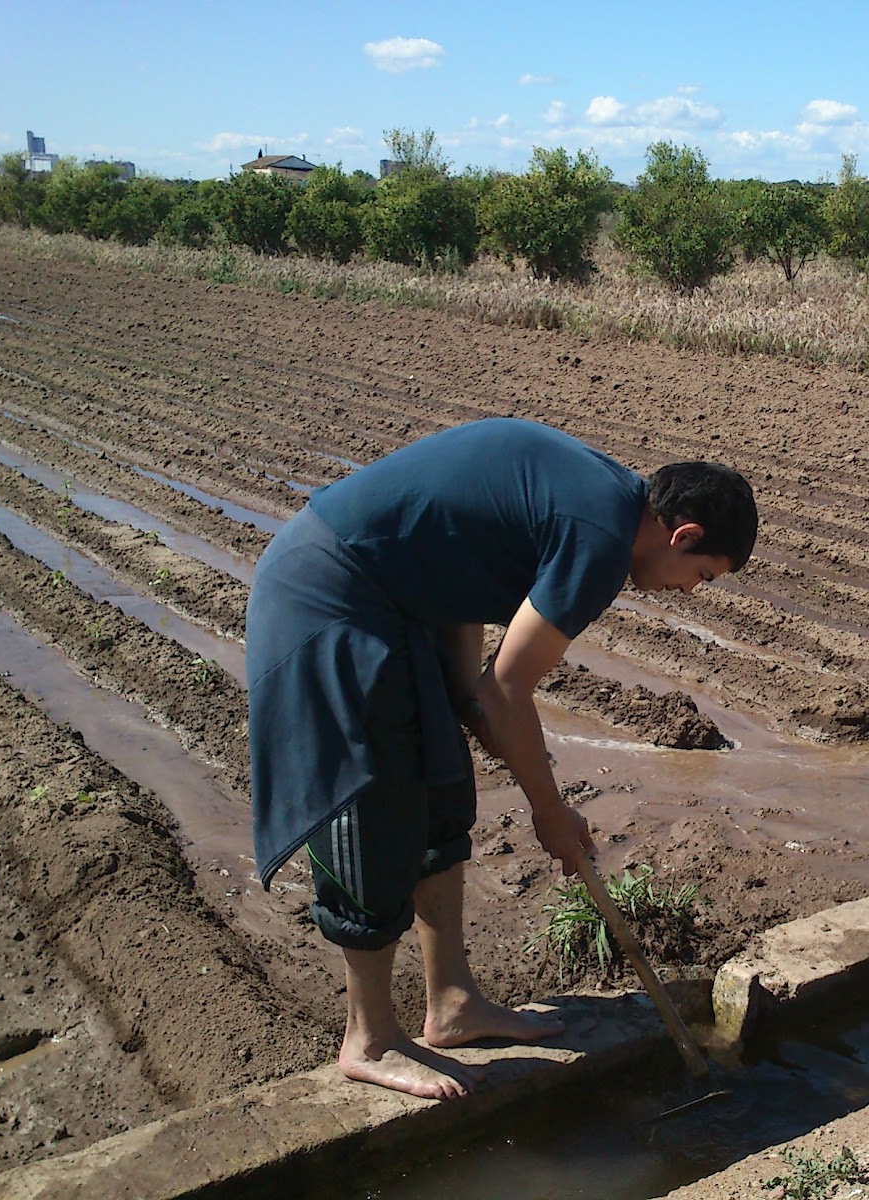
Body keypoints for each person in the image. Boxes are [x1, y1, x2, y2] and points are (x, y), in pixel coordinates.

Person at [245, 416, 757, 1100]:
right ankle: (367, 1038)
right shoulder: (601, 538)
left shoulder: (605, 499)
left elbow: (463, 583)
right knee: (379, 810)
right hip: (333, 596)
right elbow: (509, 689)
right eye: (702, 575)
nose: (691, 591)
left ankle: (452, 1002)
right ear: (682, 535)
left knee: (441, 786)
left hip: (399, 601)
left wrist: (464, 701)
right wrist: (550, 812)